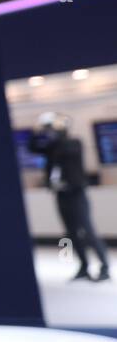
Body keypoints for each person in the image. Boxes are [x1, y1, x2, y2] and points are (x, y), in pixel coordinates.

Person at [29, 112, 110, 282]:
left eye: (53, 129)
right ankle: (83, 266)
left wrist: (57, 129)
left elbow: (65, 149)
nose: (51, 132)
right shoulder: (52, 147)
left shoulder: (73, 143)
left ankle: (104, 267)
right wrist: (39, 131)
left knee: (87, 230)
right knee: (70, 233)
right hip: (61, 194)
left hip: (76, 194)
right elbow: (33, 147)